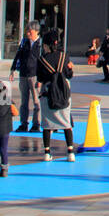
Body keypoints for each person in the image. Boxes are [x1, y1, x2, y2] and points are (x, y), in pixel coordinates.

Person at [36, 33, 76, 161]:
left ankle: (47, 153)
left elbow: (40, 78)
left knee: (47, 124)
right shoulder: (65, 56)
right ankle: (70, 152)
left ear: (46, 45)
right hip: (63, 92)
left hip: (48, 93)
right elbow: (69, 74)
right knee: (66, 123)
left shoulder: (42, 59)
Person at [8, 21, 42, 132]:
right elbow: (18, 55)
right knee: (24, 101)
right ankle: (23, 123)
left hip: (35, 75)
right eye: (27, 31)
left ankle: (36, 123)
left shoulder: (40, 44)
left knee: (36, 101)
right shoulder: (24, 42)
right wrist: (13, 69)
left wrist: (41, 77)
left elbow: (42, 61)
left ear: (36, 31)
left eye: (30, 31)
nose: (28, 33)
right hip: (23, 74)